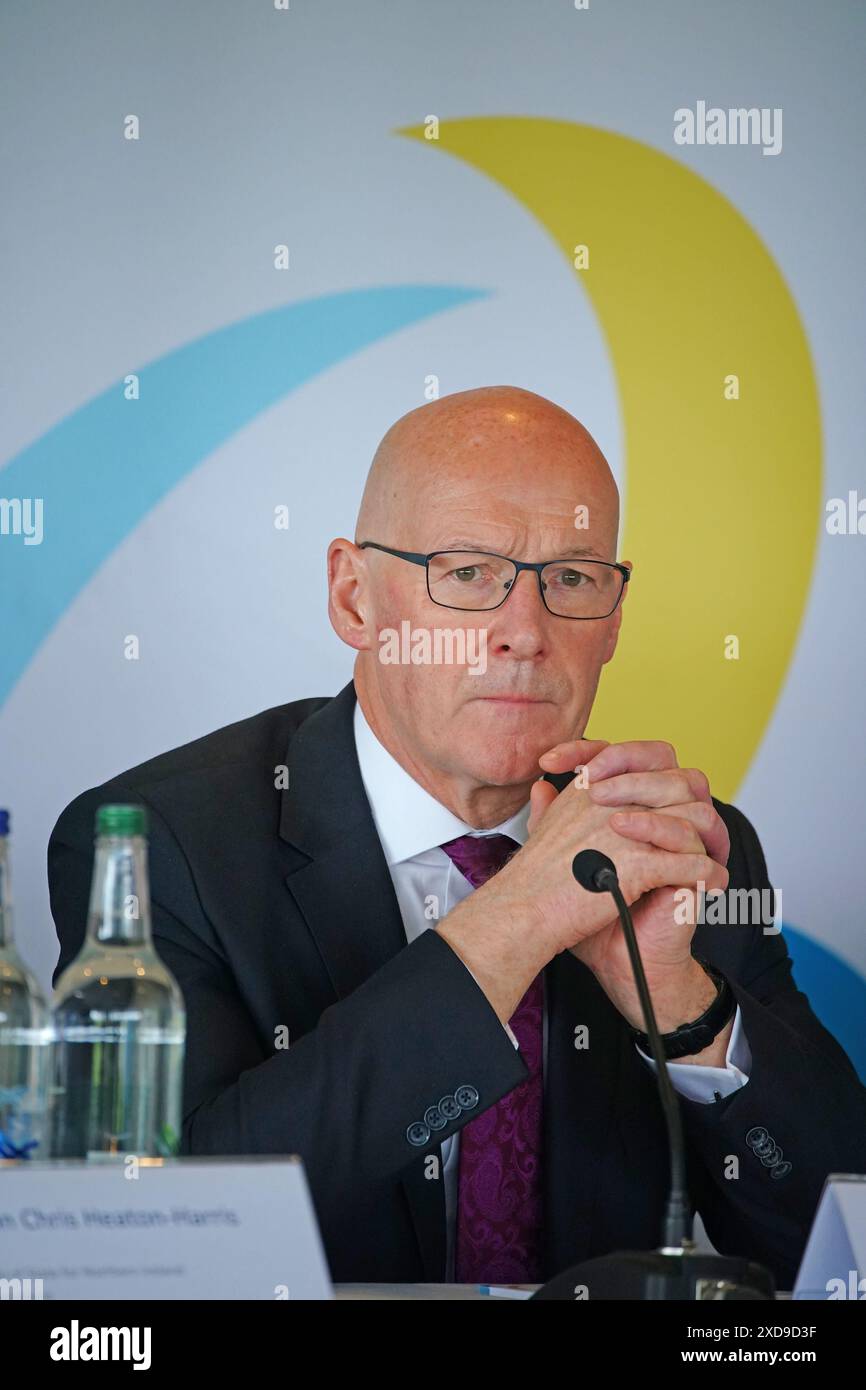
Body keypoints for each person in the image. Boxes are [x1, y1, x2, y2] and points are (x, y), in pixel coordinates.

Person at [48, 386, 866, 1289]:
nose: (525, 632)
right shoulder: (164, 846)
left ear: (615, 622)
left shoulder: (675, 843)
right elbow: (161, 1242)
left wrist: (683, 1007)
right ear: (355, 600)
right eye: (468, 572)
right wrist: (511, 923)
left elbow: (836, 1244)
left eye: (574, 578)